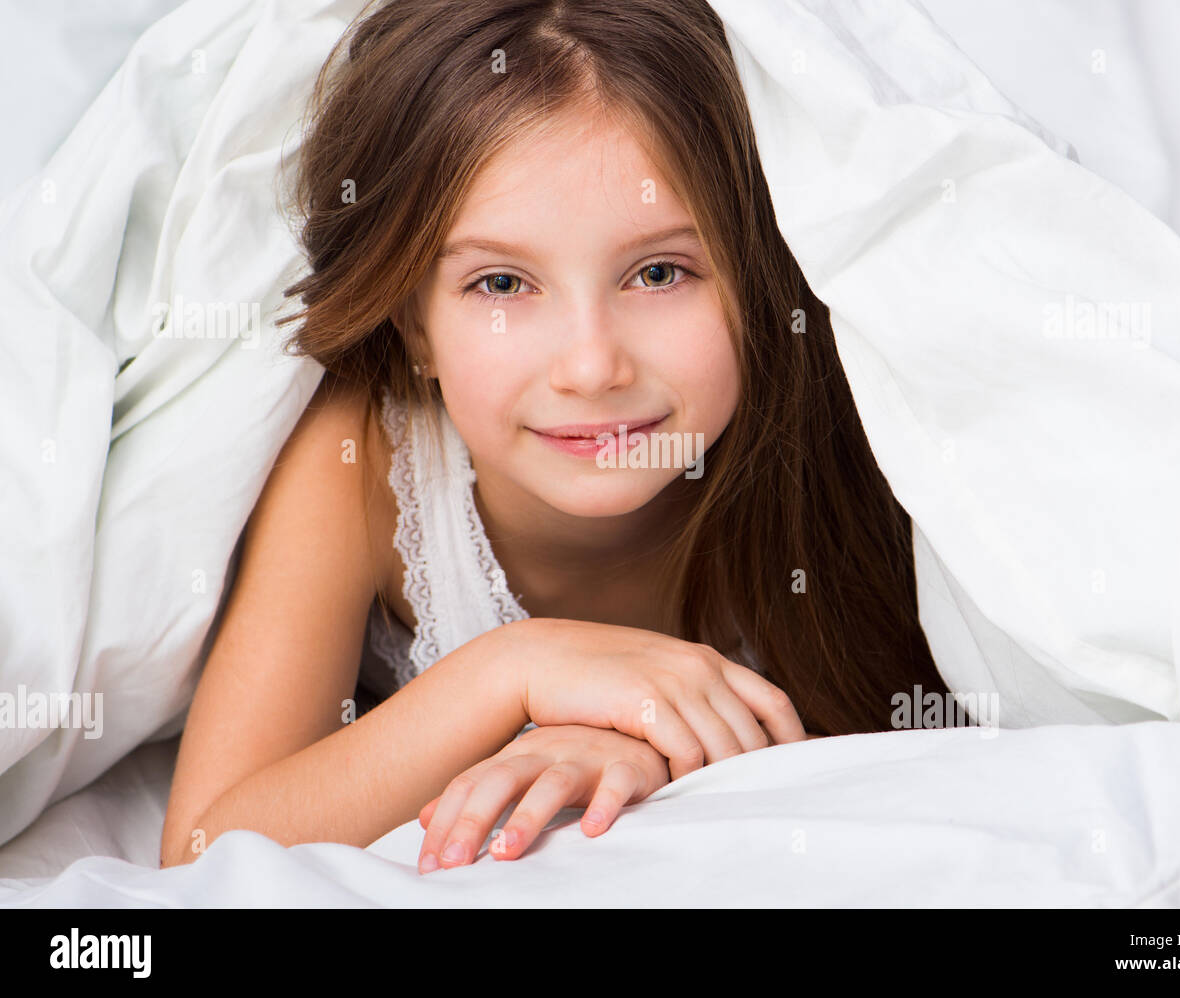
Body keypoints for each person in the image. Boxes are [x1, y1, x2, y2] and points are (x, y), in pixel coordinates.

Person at [160, 0, 950, 875]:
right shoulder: (362, 465)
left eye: (659, 272)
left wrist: (653, 753)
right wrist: (516, 671)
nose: (591, 366)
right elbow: (201, 848)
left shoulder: (851, 435)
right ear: (415, 326)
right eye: (501, 283)